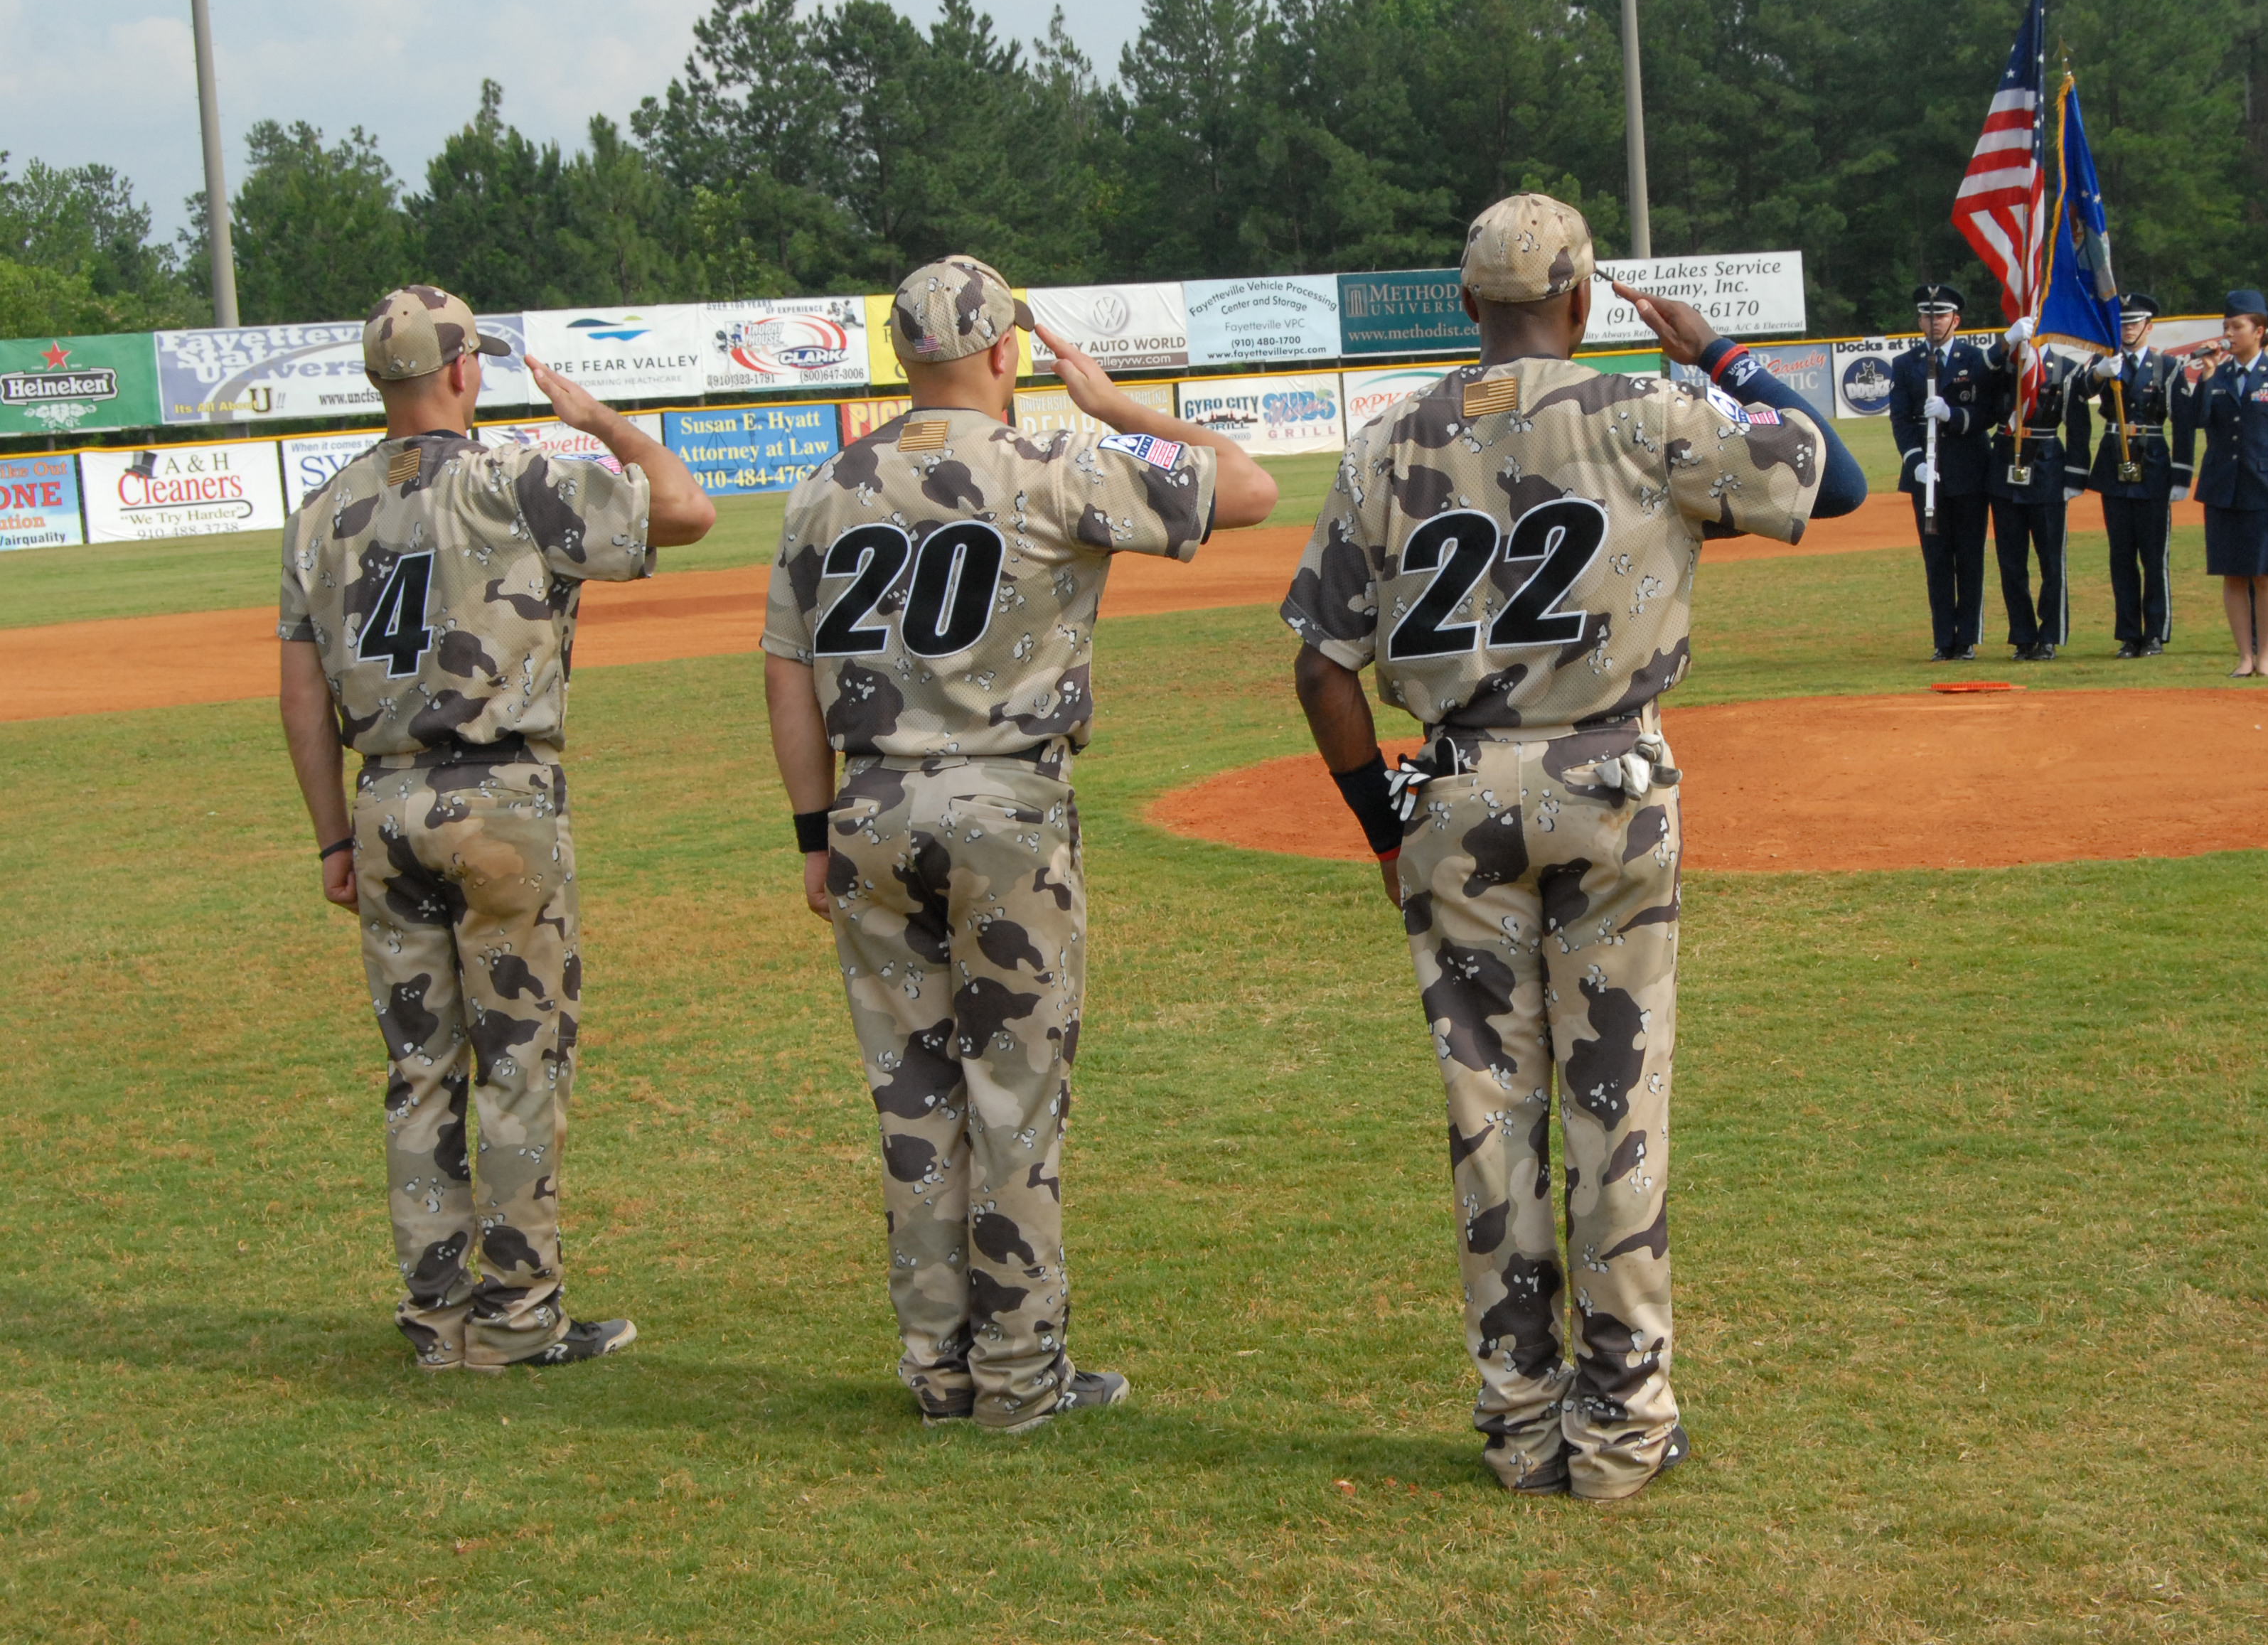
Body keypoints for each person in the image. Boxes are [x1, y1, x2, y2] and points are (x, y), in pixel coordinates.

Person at [1281, 193, 1861, 1501]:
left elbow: (1321, 671)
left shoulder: (1385, 444)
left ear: (1462, 303)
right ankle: (1619, 1431)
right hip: (1607, 778)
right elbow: (1836, 475)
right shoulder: (1646, 418)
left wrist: (1384, 826)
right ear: (1583, 299)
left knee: (1489, 1116)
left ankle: (1518, 1423)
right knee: (1618, 1107)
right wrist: (1722, 357)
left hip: (1452, 790)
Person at [760, 255, 1278, 1432]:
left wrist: (810, 834)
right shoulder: (1057, 465)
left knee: (914, 1102)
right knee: (1013, 1100)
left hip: (870, 811)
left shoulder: (825, 487)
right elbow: (1243, 486)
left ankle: (939, 1368)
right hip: (1004, 809)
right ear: (1008, 352)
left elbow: (786, 676)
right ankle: (1017, 1377)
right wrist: (1118, 407)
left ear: (902, 355)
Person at [275, 285, 716, 1371]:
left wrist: (333, 839)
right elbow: (687, 510)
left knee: (418, 1071)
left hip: (383, 803)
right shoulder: (516, 480)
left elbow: (296, 696)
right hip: (501, 799)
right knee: (518, 1066)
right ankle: (518, 1319)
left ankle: (435, 1317)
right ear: (465, 372)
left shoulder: (322, 510)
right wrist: (604, 425)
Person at [2181, 287, 2268, 676]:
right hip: (2223, 488)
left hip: (2265, 490)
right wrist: (2206, 377)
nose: (2229, 334)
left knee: (2265, 572)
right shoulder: (2217, 377)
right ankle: (2244, 657)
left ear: (2260, 330)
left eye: (2237, 326)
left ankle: (2265, 655)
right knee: (2233, 573)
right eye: (2226, 327)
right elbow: (2196, 421)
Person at [2067, 294, 2196, 656]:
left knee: (2154, 557)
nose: (2127, 329)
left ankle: (2155, 632)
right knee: (2120, 556)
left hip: (2153, 464)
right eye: (2122, 323)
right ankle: (2128, 633)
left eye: (2134, 323)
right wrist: (2098, 374)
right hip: (2114, 463)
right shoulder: (2104, 360)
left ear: (2149, 327)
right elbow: (2075, 394)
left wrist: (2182, 476)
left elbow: (2183, 425)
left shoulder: (2167, 367)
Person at [1887, 285, 1999, 660]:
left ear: (1956, 319)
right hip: (1927, 477)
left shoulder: (1977, 359)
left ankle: (1966, 638)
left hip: (1969, 470)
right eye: (1928, 316)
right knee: (1936, 559)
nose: (1935, 323)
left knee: (1969, 556)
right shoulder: (1906, 364)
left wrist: (1955, 416)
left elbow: (1989, 414)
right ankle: (1942, 640)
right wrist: (1915, 461)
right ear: (1920, 320)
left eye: (1941, 316)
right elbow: (1901, 420)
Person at [1984, 317, 2090, 660]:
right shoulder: (2003, 364)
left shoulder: (2066, 370)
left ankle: (2050, 635)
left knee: (2050, 561)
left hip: (2046, 468)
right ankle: (2023, 636)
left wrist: (2075, 476)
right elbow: (1982, 374)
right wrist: (2006, 342)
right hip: (2004, 466)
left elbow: (2078, 428)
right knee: (2011, 563)